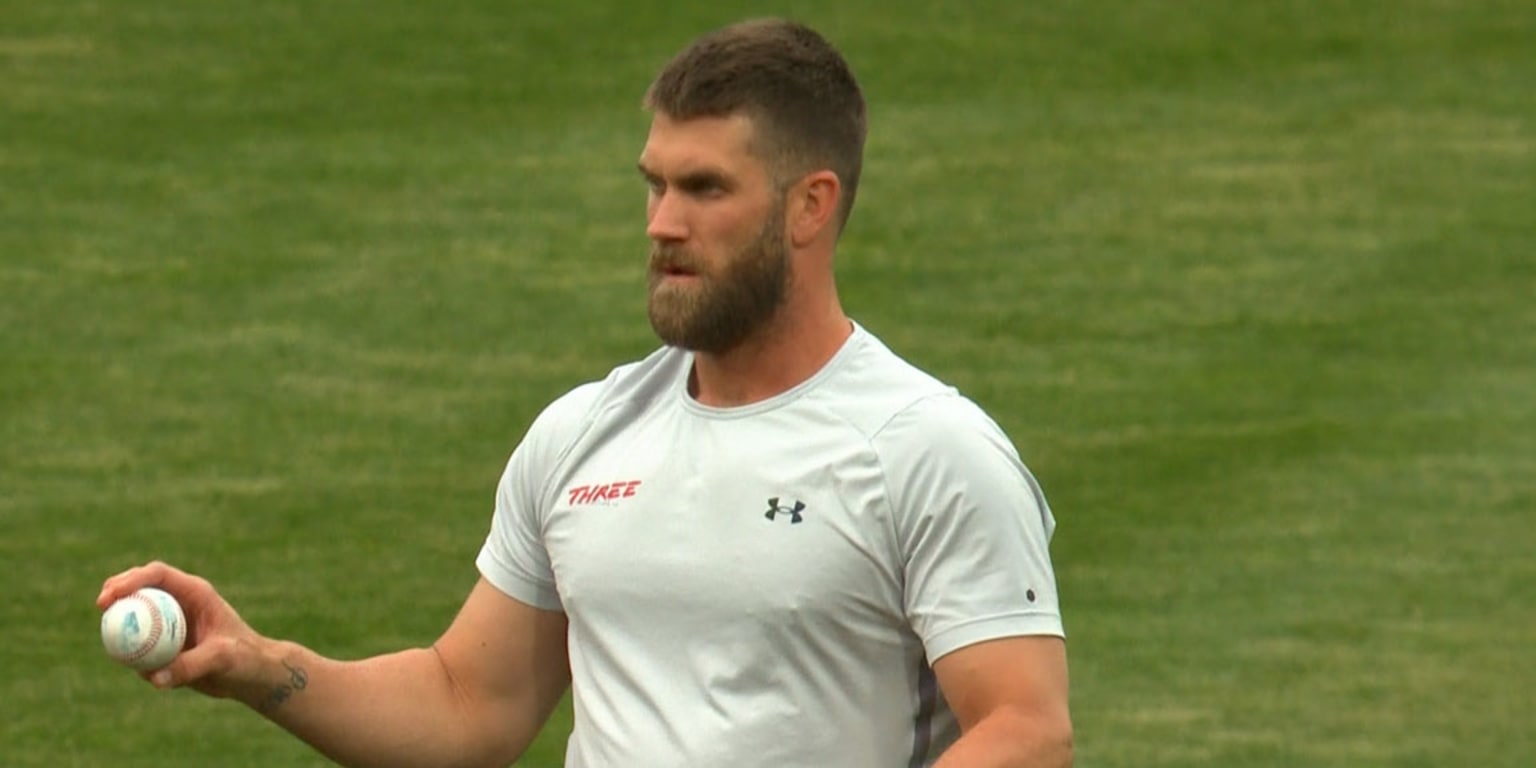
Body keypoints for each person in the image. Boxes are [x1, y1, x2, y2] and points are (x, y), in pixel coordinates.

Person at [98, 17, 1072, 767]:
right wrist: (259, 665)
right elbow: (466, 705)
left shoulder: (924, 449)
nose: (661, 223)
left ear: (809, 204)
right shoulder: (585, 436)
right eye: (653, 185)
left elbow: (1025, 729)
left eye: (703, 189)